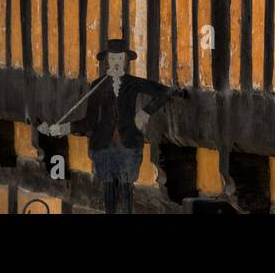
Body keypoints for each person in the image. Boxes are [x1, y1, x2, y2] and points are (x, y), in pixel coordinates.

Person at [39, 38, 179, 214]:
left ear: (125, 60)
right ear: (107, 61)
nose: (116, 63)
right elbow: (88, 121)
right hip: (104, 146)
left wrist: (144, 113)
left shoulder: (133, 83)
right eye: (112, 59)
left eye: (119, 58)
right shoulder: (97, 85)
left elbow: (164, 92)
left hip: (129, 144)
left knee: (127, 191)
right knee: (109, 193)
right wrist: (62, 128)